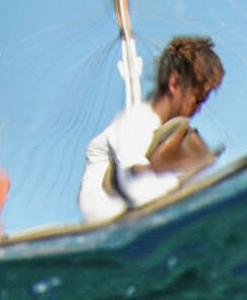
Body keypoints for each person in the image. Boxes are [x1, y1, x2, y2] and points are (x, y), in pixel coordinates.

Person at [78, 35, 225, 225]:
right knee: (183, 136)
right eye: (197, 100)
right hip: (106, 211)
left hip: (132, 209)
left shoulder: (160, 130)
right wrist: (180, 186)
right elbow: (132, 188)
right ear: (174, 84)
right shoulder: (135, 121)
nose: (198, 109)